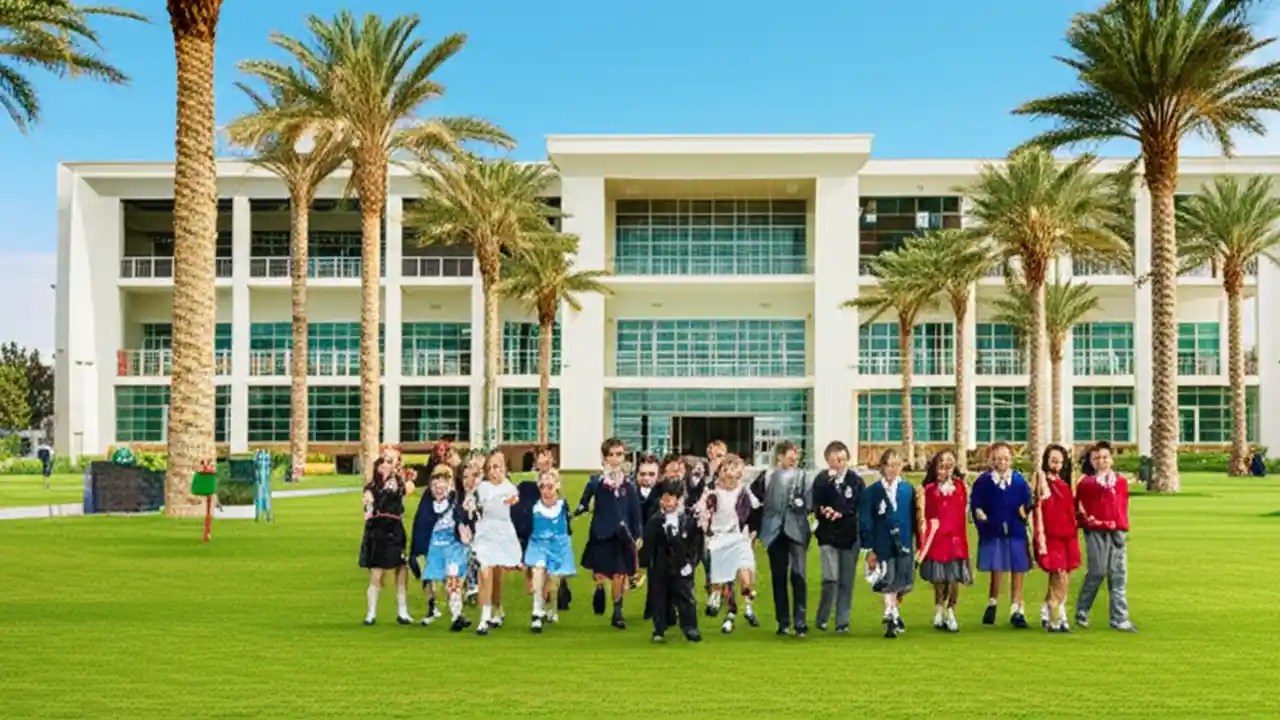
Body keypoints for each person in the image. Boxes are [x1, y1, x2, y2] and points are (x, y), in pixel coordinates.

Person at [578, 437, 643, 629]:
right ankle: (599, 590)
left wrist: (637, 533)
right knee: (599, 573)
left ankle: (617, 612)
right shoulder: (597, 481)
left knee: (620, 573)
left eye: (619, 454)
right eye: (611, 455)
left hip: (622, 535)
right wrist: (581, 507)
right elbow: (585, 499)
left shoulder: (629, 484)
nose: (615, 459)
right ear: (604, 458)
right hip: (601, 531)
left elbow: (634, 510)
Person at [1074, 441, 1138, 632]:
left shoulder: (1120, 482)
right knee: (1097, 571)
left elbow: (1121, 507)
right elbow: (1080, 509)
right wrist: (1094, 522)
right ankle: (1082, 609)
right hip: (1095, 532)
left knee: (1118, 575)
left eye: (1105, 457)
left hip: (1117, 531)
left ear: (1111, 459)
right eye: (1096, 458)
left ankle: (1119, 618)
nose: (1101, 461)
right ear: (1091, 462)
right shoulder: (1086, 483)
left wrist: (1120, 526)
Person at [970, 441, 1033, 629]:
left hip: (1016, 530)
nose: (1001, 462)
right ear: (991, 460)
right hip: (994, 530)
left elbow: (1027, 503)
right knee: (997, 567)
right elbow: (976, 504)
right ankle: (992, 602)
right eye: (997, 458)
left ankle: (1016, 608)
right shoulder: (984, 481)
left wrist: (1027, 513)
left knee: (1018, 567)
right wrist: (980, 515)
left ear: (1011, 459)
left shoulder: (1019, 481)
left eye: (1005, 458)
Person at [695, 453, 761, 633]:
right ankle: (723, 603)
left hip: (739, 536)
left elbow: (756, 509)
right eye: (725, 469)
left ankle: (747, 600)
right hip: (719, 537)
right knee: (724, 578)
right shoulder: (712, 491)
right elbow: (700, 512)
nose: (729, 473)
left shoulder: (744, 490)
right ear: (719, 472)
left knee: (744, 568)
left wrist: (753, 531)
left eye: (733, 469)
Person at [753, 440, 812, 637]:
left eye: (795, 456)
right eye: (790, 456)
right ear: (779, 456)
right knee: (778, 577)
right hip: (774, 531)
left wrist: (802, 506)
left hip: (796, 530)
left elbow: (810, 503)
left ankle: (800, 621)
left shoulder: (803, 477)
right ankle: (783, 621)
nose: (794, 459)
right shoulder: (766, 477)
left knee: (799, 576)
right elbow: (755, 502)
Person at [860, 448, 918, 639]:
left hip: (904, 542)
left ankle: (895, 611)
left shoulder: (908, 490)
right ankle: (889, 612)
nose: (892, 469)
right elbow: (866, 520)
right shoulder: (873, 491)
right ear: (882, 467)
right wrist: (869, 548)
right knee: (888, 578)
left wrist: (918, 542)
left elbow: (914, 517)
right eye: (888, 465)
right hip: (882, 543)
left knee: (902, 581)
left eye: (896, 465)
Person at [409, 464, 474, 632]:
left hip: (452, 547)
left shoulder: (455, 501)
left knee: (453, 580)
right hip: (434, 548)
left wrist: (464, 531)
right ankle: (435, 608)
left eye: (443, 484)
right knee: (437, 580)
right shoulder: (426, 506)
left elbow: (462, 521)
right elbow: (420, 528)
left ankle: (456, 615)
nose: (439, 489)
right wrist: (418, 552)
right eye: (435, 485)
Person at [639, 479, 704, 643]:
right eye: (663, 499)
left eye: (669, 499)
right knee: (659, 597)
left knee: (685, 597)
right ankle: (659, 628)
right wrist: (644, 564)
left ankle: (690, 628)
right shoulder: (655, 520)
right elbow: (649, 544)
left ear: (679, 499)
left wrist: (691, 563)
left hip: (682, 564)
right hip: (660, 565)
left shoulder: (689, 519)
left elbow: (695, 544)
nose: (665, 503)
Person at [811, 440, 864, 634]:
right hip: (827, 536)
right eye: (835, 460)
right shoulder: (821, 480)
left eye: (842, 459)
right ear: (828, 461)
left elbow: (858, 505)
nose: (839, 464)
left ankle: (842, 622)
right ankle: (822, 616)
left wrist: (841, 512)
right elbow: (815, 503)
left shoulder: (855, 481)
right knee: (830, 578)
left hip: (849, 536)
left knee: (846, 581)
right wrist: (824, 510)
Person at [918, 449, 972, 633]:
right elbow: (924, 515)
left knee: (954, 577)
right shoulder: (929, 490)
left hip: (956, 540)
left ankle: (951, 610)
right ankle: (939, 608)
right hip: (938, 541)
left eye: (950, 463)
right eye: (942, 465)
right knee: (939, 579)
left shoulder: (960, 487)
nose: (946, 468)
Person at [359, 456, 416, 626]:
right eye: (382, 464)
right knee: (377, 571)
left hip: (395, 527)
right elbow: (367, 505)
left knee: (401, 568)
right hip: (378, 529)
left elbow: (409, 488)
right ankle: (371, 613)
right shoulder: (372, 487)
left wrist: (408, 478)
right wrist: (368, 503)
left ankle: (402, 611)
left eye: (389, 464)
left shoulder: (398, 482)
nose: (385, 467)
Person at [472, 451, 522, 636]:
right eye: (490, 468)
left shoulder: (509, 487)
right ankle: (484, 617)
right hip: (486, 531)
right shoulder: (483, 487)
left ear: (504, 469)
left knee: (497, 576)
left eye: (497, 467)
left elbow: (513, 499)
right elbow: (486, 504)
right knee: (485, 572)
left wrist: (510, 500)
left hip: (502, 533)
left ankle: (497, 607)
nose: (494, 472)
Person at [1033, 444, 1080, 633]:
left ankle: (1049, 607)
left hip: (1068, 534)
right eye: (1053, 459)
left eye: (1060, 461)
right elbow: (1036, 500)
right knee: (1058, 572)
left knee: (1064, 575)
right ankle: (1057, 614)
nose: (1057, 464)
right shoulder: (1042, 478)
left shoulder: (1066, 482)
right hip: (1051, 534)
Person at [524, 469, 576, 633]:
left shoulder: (563, 505)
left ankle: (550, 606)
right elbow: (527, 528)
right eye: (543, 486)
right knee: (538, 571)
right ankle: (536, 613)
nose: (546, 490)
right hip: (538, 544)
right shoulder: (534, 506)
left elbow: (567, 528)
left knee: (552, 583)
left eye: (550, 486)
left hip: (558, 545)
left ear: (557, 486)